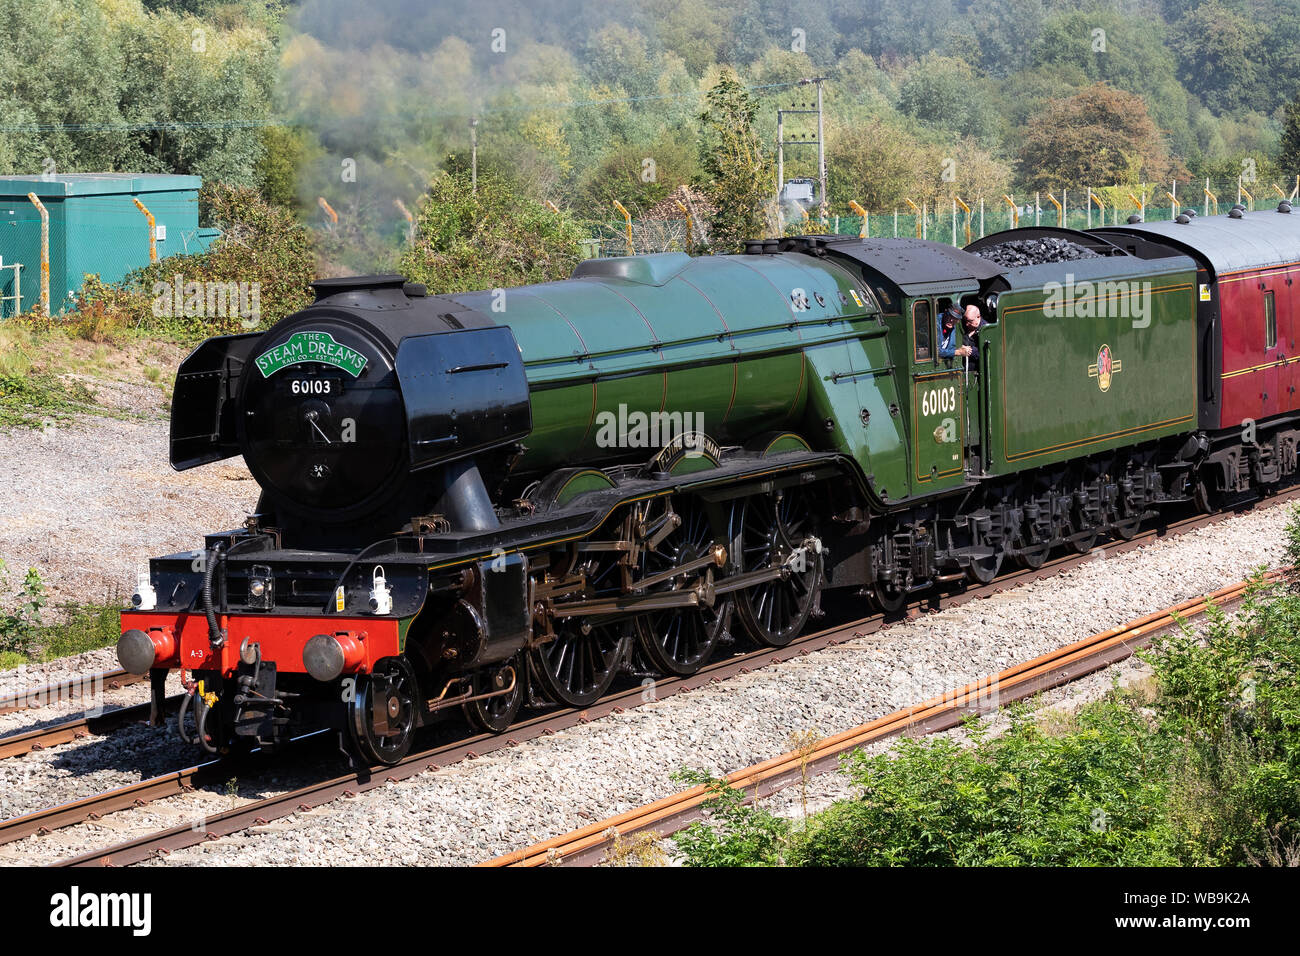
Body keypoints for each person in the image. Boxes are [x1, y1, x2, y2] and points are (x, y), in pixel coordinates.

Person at [960, 304, 985, 370]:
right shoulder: (963, 325)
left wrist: (969, 350)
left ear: (978, 317)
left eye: (970, 321)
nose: (966, 324)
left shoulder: (986, 331)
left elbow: (984, 353)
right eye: (965, 320)